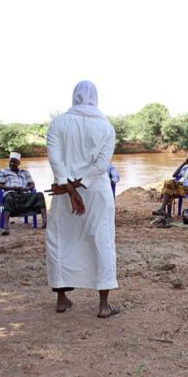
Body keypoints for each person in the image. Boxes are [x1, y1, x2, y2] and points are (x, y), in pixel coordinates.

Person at [45, 80, 119, 318]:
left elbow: (56, 161)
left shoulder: (58, 124)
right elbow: (100, 166)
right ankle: (104, 305)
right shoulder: (106, 127)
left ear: (74, 96)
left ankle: (61, 299)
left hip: (63, 192)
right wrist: (77, 188)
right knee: (102, 240)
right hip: (97, 192)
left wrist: (70, 189)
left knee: (61, 241)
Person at [0, 152, 47, 235]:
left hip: (24, 194)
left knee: (39, 195)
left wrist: (26, 188)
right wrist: (13, 188)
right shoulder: (3, 171)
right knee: (9, 198)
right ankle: (6, 227)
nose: (11, 164)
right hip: (11, 193)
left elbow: (32, 184)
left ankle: (45, 222)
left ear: (19, 163)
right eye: (10, 161)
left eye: (14, 162)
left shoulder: (25, 172)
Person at [152, 150, 188, 217]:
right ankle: (164, 211)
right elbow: (174, 175)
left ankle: (165, 212)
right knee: (169, 183)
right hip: (184, 186)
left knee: (169, 191)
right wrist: (184, 163)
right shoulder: (187, 167)